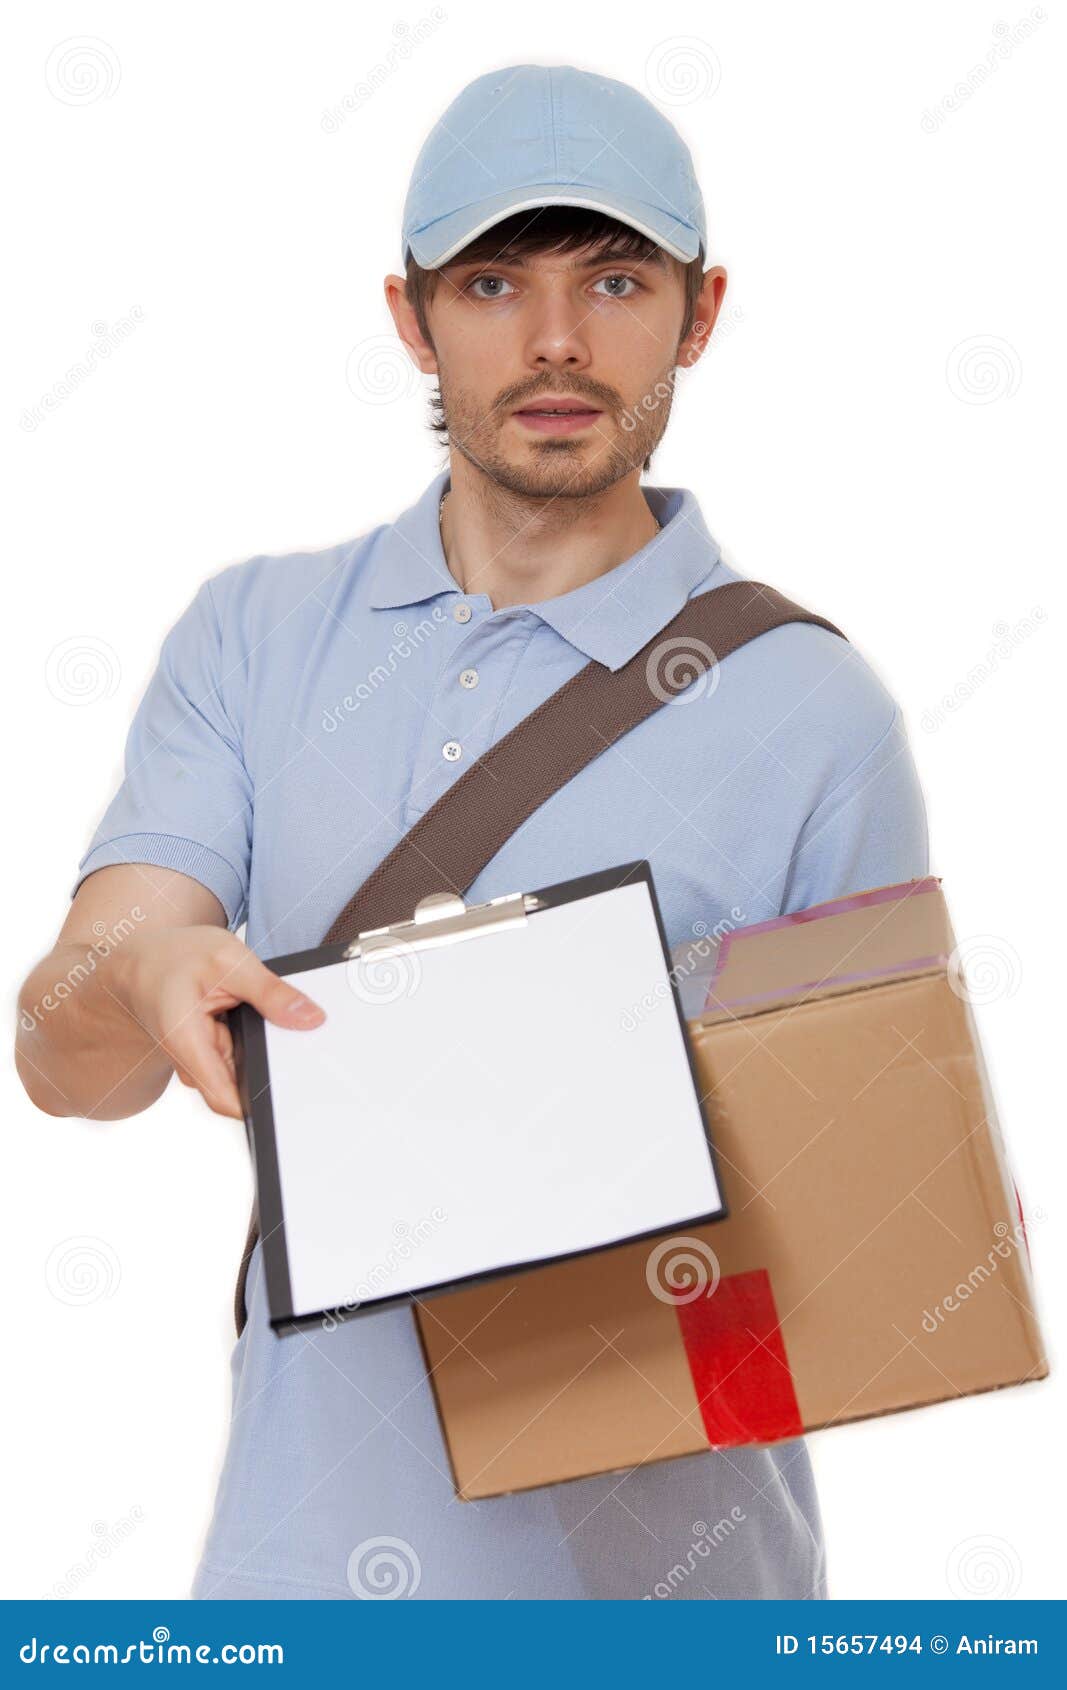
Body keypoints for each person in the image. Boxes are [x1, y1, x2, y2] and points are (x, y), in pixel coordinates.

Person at [15, 63, 928, 1600]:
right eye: (495, 282)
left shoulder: (816, 713)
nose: (557, 342)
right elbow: (56, 1046)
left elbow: (893, 1255)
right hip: (300, 1593)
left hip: (669, 1615)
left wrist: (589, 1187)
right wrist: (146, 975)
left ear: (700, 315)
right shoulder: (255, 639)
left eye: (617, 280)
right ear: (409, 315)